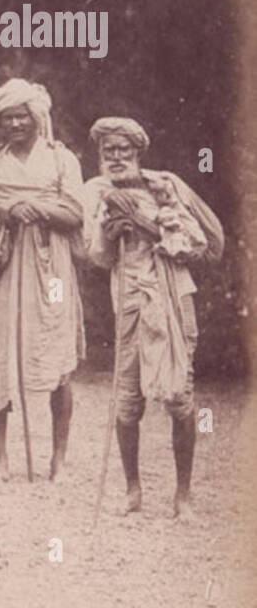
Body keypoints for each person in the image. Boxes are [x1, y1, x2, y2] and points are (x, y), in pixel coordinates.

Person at [82, 117, 223, 518]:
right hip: (128, 301)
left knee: (179, 396)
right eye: (108, 151)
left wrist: (146, 224)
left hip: (172, 299)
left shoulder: (165, 187)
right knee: (127, 401)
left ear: (138, 152)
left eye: (123, 149)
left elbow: (196, 244)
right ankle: (132, 491)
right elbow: (97, 257)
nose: (116, 157)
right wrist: (112, 231)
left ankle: (183, 496)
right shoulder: (101, 193)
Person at [0, 79, 84, 481]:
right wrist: (7, 211)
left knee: (58, 359)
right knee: (2, 355)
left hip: (52, 267)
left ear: (37, 117)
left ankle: (58, 459)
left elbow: (76, 214)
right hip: (10, 269)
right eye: (8, 118)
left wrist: (35, 207)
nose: (16, 124)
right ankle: (0, 456)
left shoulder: (61, 161)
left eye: (22, 116)